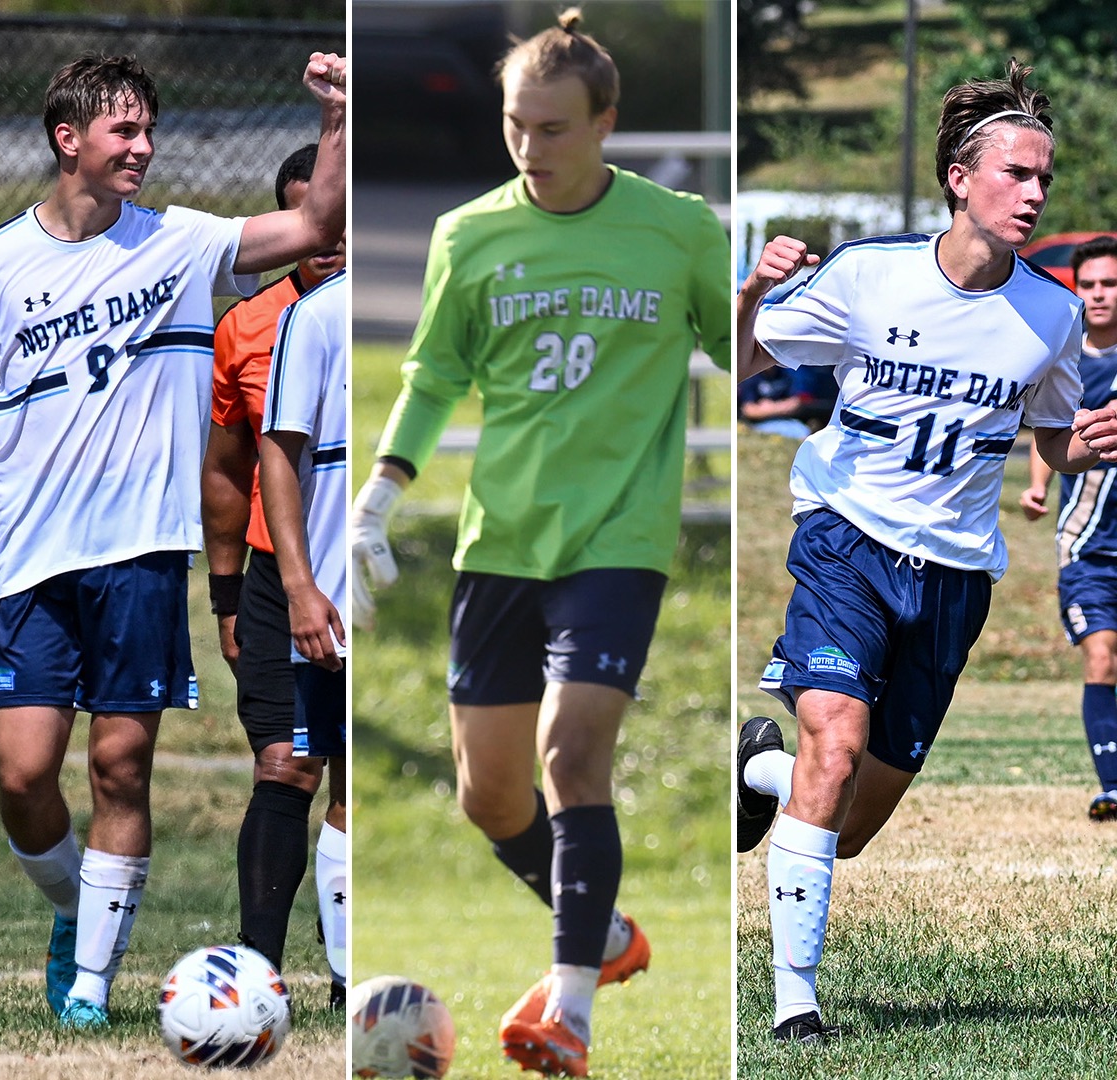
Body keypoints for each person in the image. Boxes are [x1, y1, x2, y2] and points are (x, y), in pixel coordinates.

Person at [347, 10, 726, 1075]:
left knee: (573, 754)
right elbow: (433, 377)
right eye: (517, 125)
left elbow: (738, 349)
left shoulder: (678, 228)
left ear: (606, 122)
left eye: (554, 128)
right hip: (499, 544)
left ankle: (572, 1013)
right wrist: (379, 494)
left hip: (619, 539)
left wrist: (765, 315)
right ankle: (603, 934)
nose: (531, 147)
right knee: (490, 796)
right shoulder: (468, 235)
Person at [734, 60, 1117, 1045]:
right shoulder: (870, 273)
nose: (1034, 193)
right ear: (959, 177)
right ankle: (794, 1006)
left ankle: (761, 777)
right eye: (1016, 173)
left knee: (850, 823)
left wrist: (1088, 446)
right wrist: (752, 292)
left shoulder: (1052, 314)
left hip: (954, 576)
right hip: (846, 540)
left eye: (1044, 177)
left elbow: (1054, 441)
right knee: (834, 745)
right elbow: (741, 360)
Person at [0, 50, 345, 1028]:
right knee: (22, 779)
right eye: (123, 130)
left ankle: (91, 989)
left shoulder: (182, 242)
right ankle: (71, 910)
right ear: (69, 139)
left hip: (140, 555)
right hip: (32, 560)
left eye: (148, 130)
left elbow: (315, 225)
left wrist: (338, 119)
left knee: (119, 769)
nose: (142, 147)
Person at [201, 143, 347, 1004]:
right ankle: (257, 967)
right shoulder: (249, 326)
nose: (329, 239)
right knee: (287, 765)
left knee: (356, 776)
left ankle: (347, 976)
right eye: (312, 221)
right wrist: (227, 596)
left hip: (363, 571)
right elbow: (228, 471)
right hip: (276, 578)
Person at [254, 265, 350, 1003]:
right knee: (331, 772)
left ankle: (355, 981)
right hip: (340, 592)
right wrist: (300, 587)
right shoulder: (314, 316)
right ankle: (346, 980)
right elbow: (276, 454)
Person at [1018, 234, 1117, 821]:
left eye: (1111, 283)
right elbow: (1048, 432)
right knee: (1101, 656)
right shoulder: (1067, 358)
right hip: (1087, 545)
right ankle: (1113, 786)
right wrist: (1037, 486)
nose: (1099, 294)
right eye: (1090, 284)